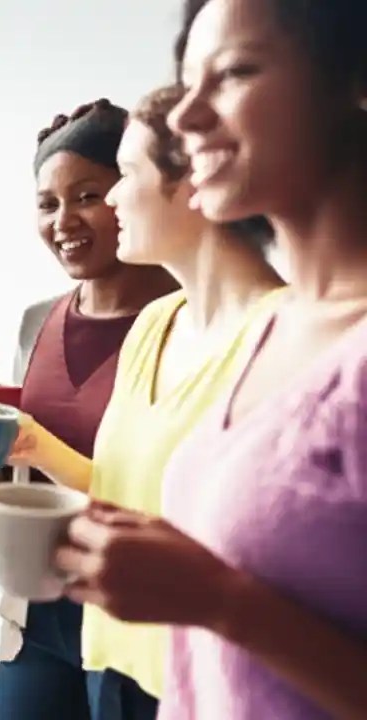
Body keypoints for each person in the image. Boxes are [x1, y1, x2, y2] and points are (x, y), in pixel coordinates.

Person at [55, 0, 367, 717]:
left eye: (233, 73)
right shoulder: (277, 326)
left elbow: (231, 598)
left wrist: (221, 601)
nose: (187, 116)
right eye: (189, 79)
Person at [6, 84, 285, 720]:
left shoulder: (282, 337)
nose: (111, 200)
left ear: (195, 182)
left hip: (200, 674)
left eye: (123, 177)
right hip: (113, 651)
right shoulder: (157, 324)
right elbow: (116, 486)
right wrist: (26, 442)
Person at [0, 99, 179, 720]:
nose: (63, 220)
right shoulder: (34, 322)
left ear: (130, 193)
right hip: (37, 606)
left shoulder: (186, 323)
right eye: (47, 204)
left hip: (133, 616)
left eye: (87, 196)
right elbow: (23, 464)